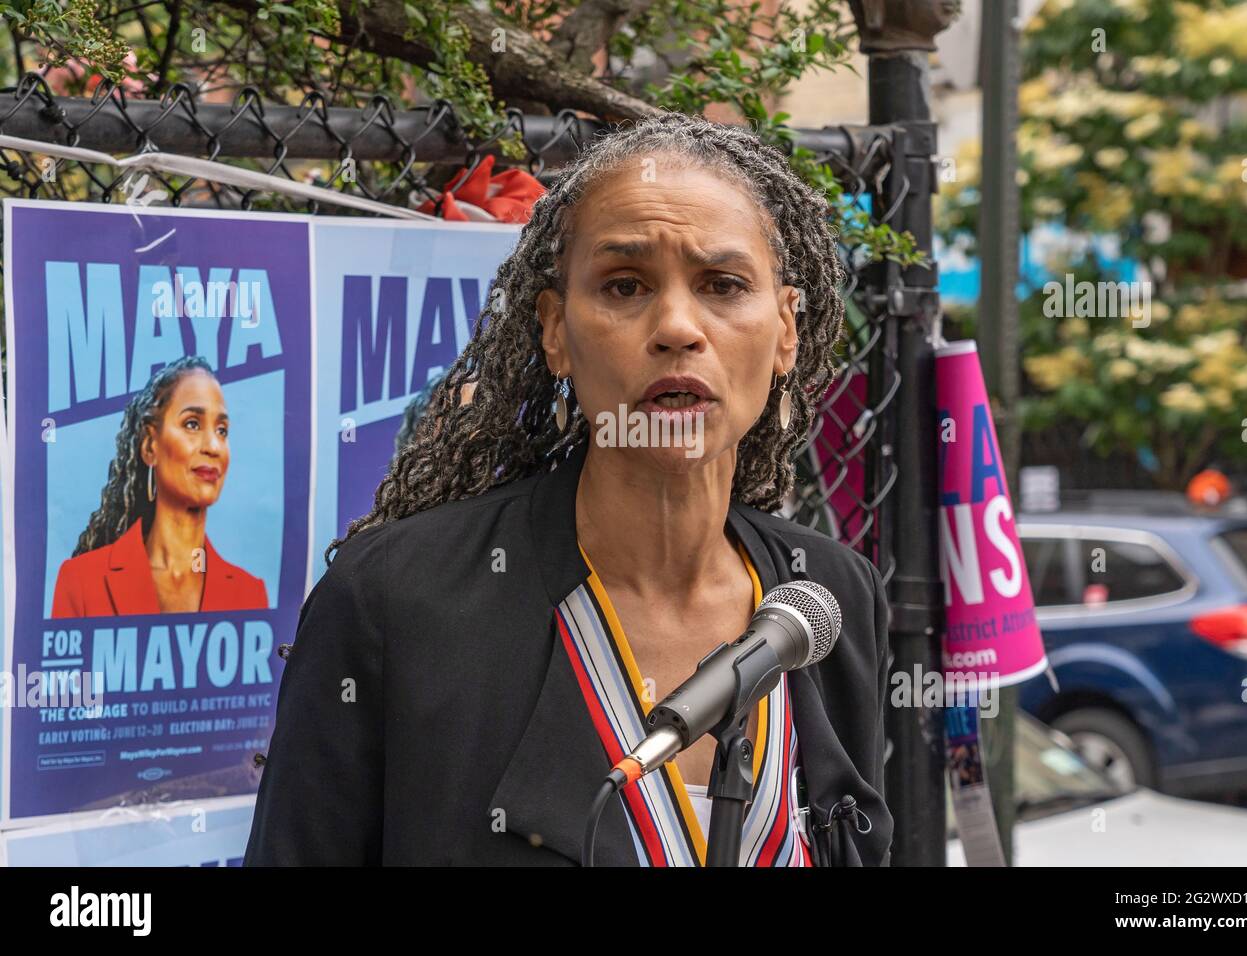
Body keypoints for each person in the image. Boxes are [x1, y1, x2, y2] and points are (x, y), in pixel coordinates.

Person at [244, 112, 892, 867]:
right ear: (555, 330)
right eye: (624, 285)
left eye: (723, 285)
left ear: (786, 329)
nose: (678, 327)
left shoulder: (827, 599)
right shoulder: (394, 602)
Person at [52, 355, 268, 617]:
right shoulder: (80, 582)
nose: (213, 446)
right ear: (150, 446)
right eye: (192, 424)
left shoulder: (249, 593)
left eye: (222, 430)